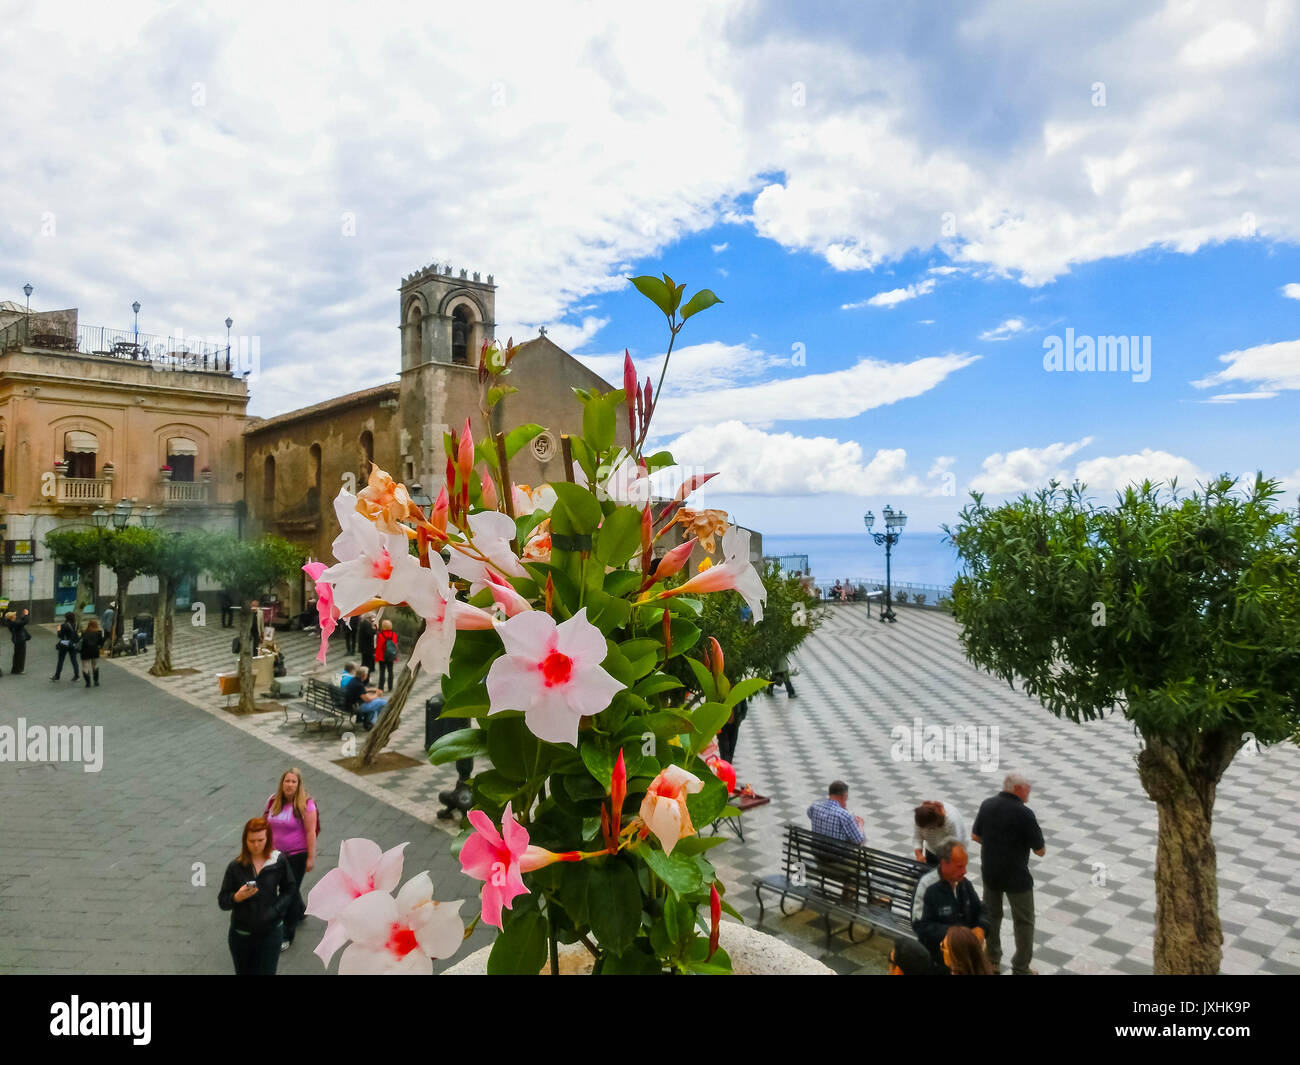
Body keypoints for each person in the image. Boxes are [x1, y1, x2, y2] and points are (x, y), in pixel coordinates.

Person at [971, 772, 1046, 976]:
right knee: (1024, 922)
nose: (1029, 789)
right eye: (1027, 786)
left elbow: (975, 836)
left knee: (992, 916)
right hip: (1017, 878)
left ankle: (993, 960)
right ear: (1017, 789)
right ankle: (1021, 967)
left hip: (991, 873)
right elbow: (1040, 850)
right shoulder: (1024, 813)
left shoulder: (987, 804)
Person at [217, 817, 297, 975]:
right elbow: (223, 901)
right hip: (242, 935)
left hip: (271, 933)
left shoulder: (278, 861)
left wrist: (275, 910)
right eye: (251, 841)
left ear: (267, 839)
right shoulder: (236, 867)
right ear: (245, 841)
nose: (256, 845)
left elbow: (290, 889)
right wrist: (237, 897)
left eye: (260, 840)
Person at [911, 840, 989, 973]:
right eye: (959, 866)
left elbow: (981, 910)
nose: (964, 871)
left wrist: (981, 928)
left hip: (965, 959)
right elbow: (919, 925)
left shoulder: (964, 884)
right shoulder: (927, 886)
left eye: (965, 866)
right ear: (943, 864)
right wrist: (956, 935)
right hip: (938, 960)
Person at [263, 768, 318, 951]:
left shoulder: (306, 805)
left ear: (299, 784)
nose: (290, 785)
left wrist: (311, 857)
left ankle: (287, 934)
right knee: (290, 890)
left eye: (294, 782)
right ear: (282, 783)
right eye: (287, 781)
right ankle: (300, 910)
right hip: (276, 855)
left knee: (287, 893)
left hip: (297, 856)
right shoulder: (273, 801)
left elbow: (310, 833)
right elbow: (265, 824)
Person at [807, 780, 866, 846]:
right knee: (862, 840)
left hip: (816, 851)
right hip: (837, 855)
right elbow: (859, 841)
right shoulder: (845, 815)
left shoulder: (814, 807)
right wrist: (860, 824)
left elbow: (810, 815)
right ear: (844, 796)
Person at [913, 799, 966, 865]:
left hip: (951, 852)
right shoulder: (921, 816)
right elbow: (917, 838)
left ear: (936, 821)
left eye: (930, 828)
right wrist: (919, 855)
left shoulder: (952, 820)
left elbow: (957, 843)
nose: (928, 830)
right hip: (931, 848)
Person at [344, 666, 387, 730]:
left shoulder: (354, 680)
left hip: (351, 703)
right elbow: (367, 699)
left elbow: (364, 691)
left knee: (377, 702)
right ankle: (378, 722)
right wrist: (377, 694)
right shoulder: (359, 685)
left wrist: (373, 690)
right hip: (357, 706)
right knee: (383, 702)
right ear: (364, 675)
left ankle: (372, 722)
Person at [716, 697, 748, 763]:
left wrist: (739, 719)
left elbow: (744, 708)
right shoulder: (721, 693)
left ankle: (728, 765)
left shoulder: (739, 693)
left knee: (732, 746)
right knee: (724, 746)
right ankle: (724, 764)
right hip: (722, 725)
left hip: (734, 725)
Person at [52, 612, 81, 682]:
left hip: (64, 644)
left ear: (66, 618)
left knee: (60, 661)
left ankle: (57, 676)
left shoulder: (64, 626)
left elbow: (60, 636)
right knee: (74, 660)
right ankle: (77, 676)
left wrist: (58, 629)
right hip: (73, 644)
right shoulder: (76, 624)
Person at [78, 617, 105, 687]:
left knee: (85, 667)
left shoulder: (84, 633)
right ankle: (96, 681)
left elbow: (81, 642)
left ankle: (88, 683)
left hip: (85, 651)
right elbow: (101, 643)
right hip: (95, 651)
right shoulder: (98, 633)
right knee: (95, 665)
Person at [4, 609, 31, 675]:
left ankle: (15, 669)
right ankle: (19, 670)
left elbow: (20, 622)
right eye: (14, 615)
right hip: (20, 640)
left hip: (17, 640)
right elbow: (24, 622)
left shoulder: (11, 623)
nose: (16, 616)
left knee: (17, 655)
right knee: (21, 655)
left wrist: (23, 616)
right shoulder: (13, 623)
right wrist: (26, 614)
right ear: (12, 617)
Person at [375, 619, 398, 691]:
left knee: (382, 672)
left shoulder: (380, 635)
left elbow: (379, 647)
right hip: (391, 656)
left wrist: (377, 658)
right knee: (390, 671)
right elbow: (395, 646)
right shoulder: (394, 634)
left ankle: (381, 687)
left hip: (382, 656)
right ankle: (390, 687)